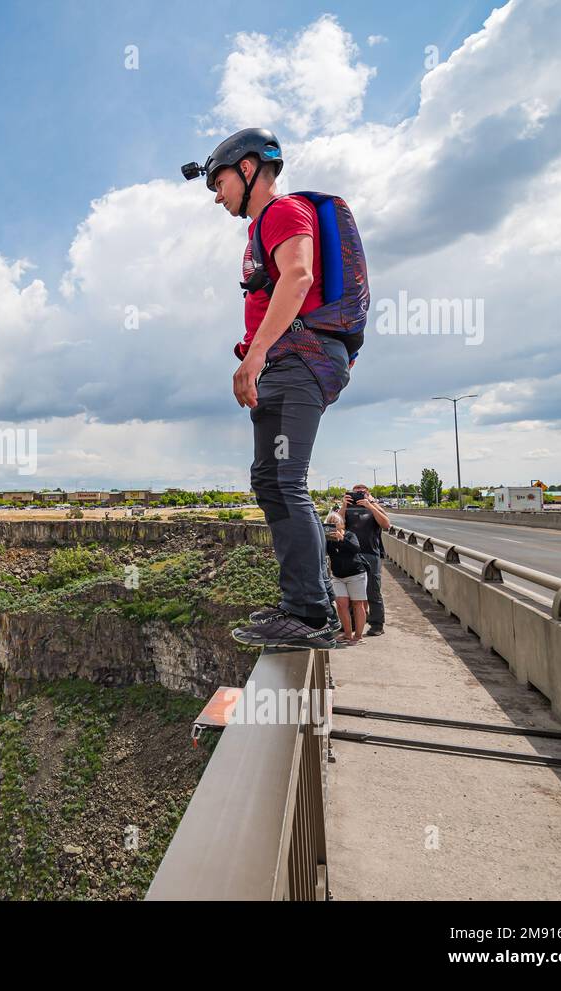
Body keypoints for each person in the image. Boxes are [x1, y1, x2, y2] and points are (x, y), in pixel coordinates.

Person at [199, 128, 352, 649]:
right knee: (272, 479)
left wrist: (259, 353)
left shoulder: (282, 212)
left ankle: (311, 613)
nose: (216, 196)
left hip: (297, 357)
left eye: (218, 182)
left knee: (283, 480)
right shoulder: (266, 223)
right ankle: (303, 605)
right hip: (293, 360)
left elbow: (298, 276)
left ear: (246, 169)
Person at [343, 483, 390, 635]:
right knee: (351, 592)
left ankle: (377, 625)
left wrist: (370, 505)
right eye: (355, 492)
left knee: (373, 591)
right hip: (351, 555)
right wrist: (344, 505)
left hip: (371, 554)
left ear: (368, 493)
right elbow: (336, 525)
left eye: (362, 492)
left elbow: (386, 524)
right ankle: (354, 623)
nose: (358, 495)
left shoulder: (374, 507)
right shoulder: (347, 509)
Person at [324, 509, 367, 644]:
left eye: (336, 522)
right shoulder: (328, 541)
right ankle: (347, 634)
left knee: (357, 604)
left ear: (342, 524)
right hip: (338, 576)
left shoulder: (349, 535)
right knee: (341, 605)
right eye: (330, 523)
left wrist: (341, 539)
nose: (333, 524)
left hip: (356, 575)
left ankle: (358, 636)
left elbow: (356, 549)